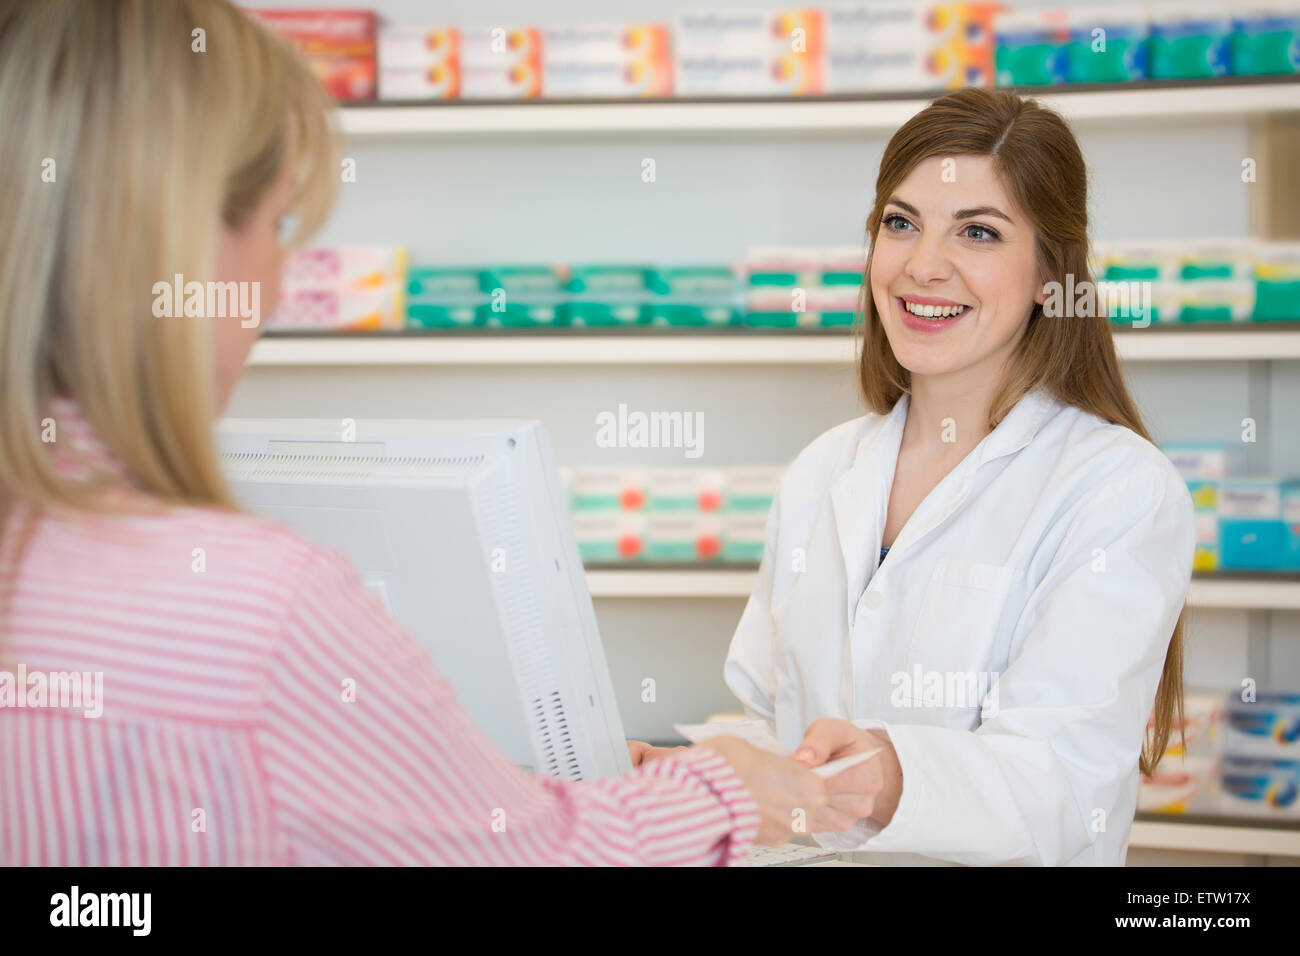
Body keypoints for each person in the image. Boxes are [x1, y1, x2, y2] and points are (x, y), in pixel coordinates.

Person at [0, 0, 850, 866]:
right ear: (178, 244)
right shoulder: (256, 609)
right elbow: (534, 861)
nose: (279, 280)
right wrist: (724, 790)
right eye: (279, 224)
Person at [718, 88, 1197, 865]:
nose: (924, 266)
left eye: (977, 232)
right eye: (900, 224)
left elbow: (1063, 785)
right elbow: (769, 719)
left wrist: (887, 776)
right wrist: (695, 782)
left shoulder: (1118, 492)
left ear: (1052, 274)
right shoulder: (824, 470)